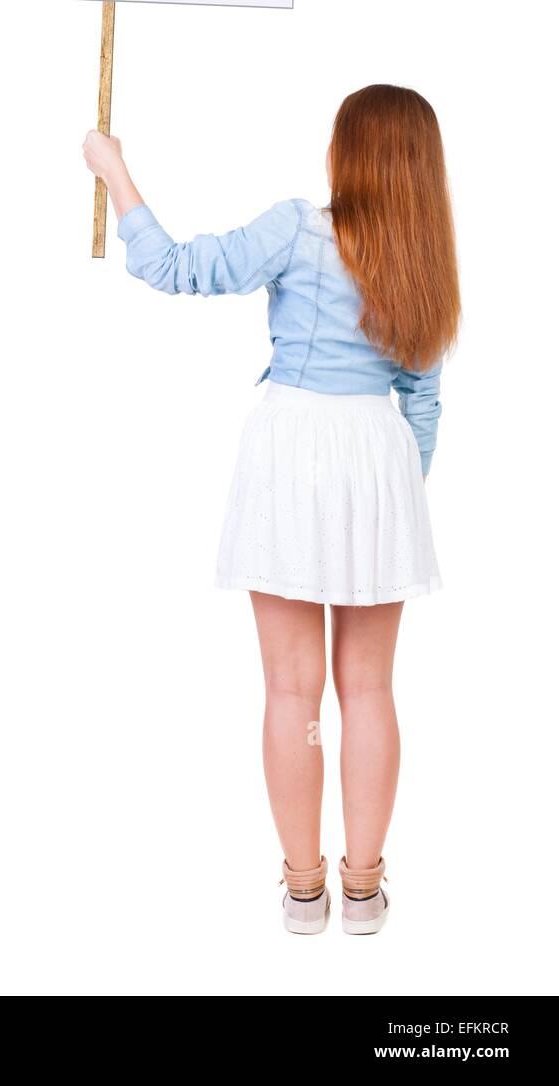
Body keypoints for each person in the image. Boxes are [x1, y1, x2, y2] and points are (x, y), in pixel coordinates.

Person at [82, 83, 461, 936]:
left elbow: (174, 267)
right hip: (376, 458)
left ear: (345, 154)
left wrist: (115, 172)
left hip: (292, 451)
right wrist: (397, 502)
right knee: (366, 688)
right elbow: (423, 406)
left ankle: (301, 889)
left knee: (292, 691)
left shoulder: (298, 228)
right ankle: (362, 889)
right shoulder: (425, 260)